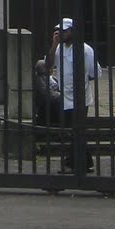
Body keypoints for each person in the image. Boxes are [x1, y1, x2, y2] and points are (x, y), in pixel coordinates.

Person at [47, 16, 101, 171]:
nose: (61, 34)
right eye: (59, 31)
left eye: (64, 31)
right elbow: (49, 65)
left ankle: (71, 163)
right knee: (71, 132)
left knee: (76, 131)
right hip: (64, 96)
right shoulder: (59, 48)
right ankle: (85, 163)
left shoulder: (85, 50)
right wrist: (53, 44)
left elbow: (94, 72)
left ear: (72, 31)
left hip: (80, 97)